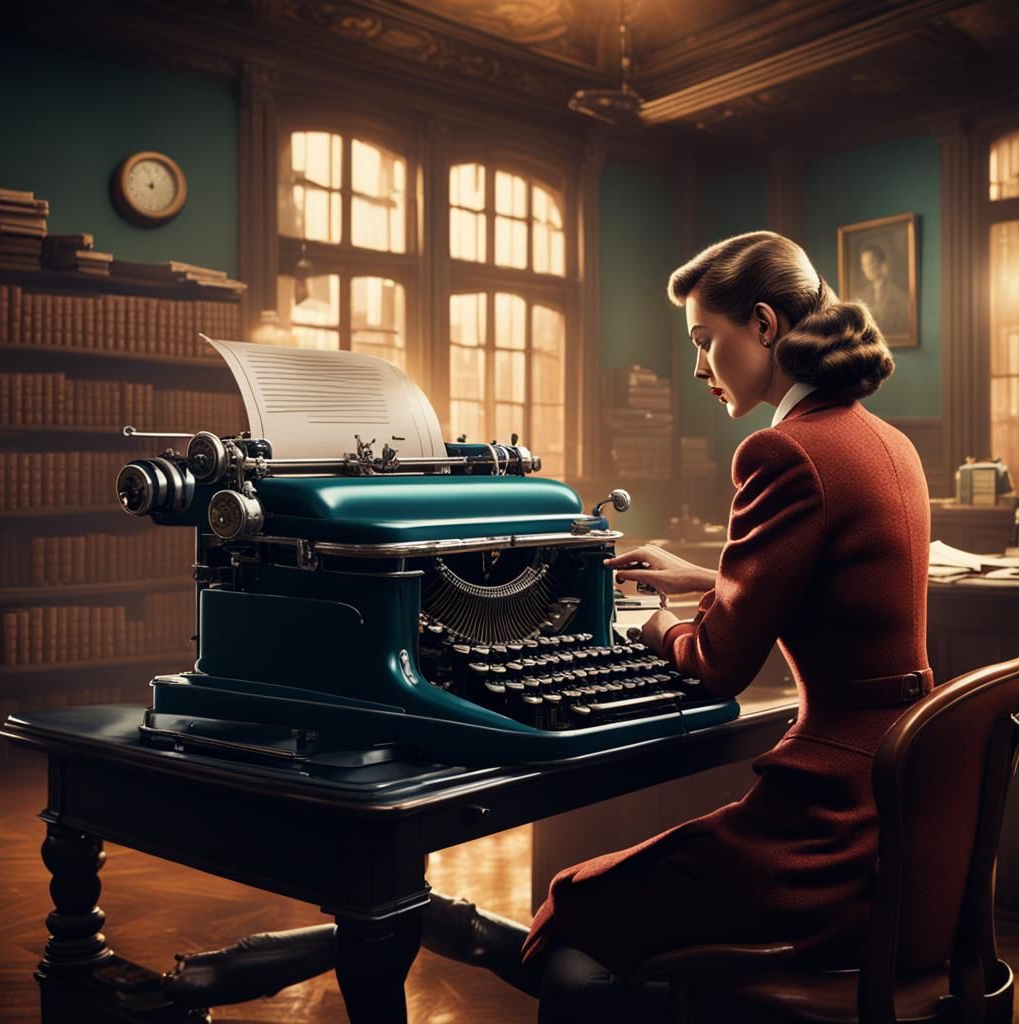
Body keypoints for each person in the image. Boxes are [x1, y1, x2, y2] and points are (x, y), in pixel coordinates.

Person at [161, 231, 930, 1021]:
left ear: (764, 326)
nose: (697, 366)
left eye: (705, 341)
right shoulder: (884, 442)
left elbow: (717, 668)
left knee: (576, 907)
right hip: (907, 797)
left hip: (831, 820)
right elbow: (835, 588)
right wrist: (716, 580)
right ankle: (441, 929)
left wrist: (655, 625)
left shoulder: (782, 452)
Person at [854, 242, 910, 336]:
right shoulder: (861, 296)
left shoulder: (898, 295)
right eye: (865, 264)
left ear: (881, 263)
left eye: (871, 262)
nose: (868, 268)